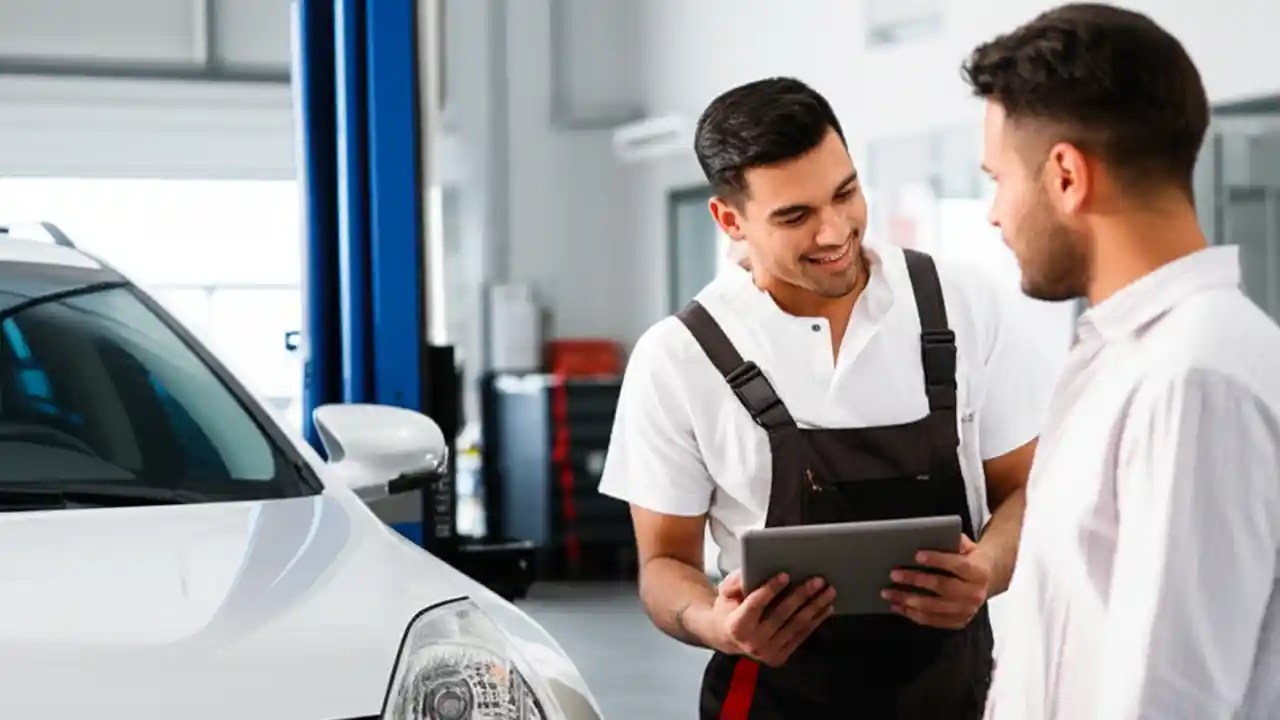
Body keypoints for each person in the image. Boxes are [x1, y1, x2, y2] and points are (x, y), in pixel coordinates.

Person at [598, 76, 1050, 718]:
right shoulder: (678, 357)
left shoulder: (960, 304)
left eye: (845, 193)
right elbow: (664, 563)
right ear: (730, 220)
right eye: (795, 216)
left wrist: (990, 569)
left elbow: (1028, 489)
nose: (836, 230)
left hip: (958, 700)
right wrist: (713, 623)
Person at [963, 4, 1280, 718]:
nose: (994, 214)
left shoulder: (1194, 380)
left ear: (1067, 175)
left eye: (998, 179)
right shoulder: (1136, 358)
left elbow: (1167, 699)